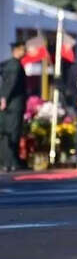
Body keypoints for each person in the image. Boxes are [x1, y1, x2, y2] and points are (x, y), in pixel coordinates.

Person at [0, 41, 27, 172]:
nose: (25, 51)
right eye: (22, 49)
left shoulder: (8, 64)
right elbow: (10, 83)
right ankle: (10, 161)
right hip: (13, 105)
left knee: (7, 133)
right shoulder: (15, 66)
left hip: (8, 105)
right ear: (16, 50)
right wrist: (4, 98)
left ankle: (8, 161)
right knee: (12, 133)